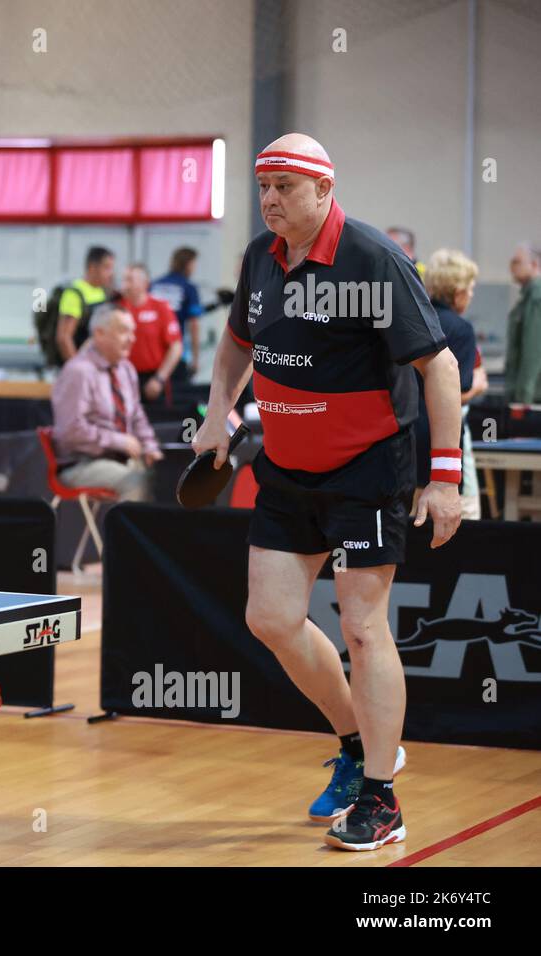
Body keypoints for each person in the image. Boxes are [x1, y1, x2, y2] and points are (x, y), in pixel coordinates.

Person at [193, 133, 463, 852]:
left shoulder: (373, 260)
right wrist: (218, 411)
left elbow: (439, 369)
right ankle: (355, 742)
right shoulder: (260, 257)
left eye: (285, 186)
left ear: (323, 188)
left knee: (363, 627)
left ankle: (382, 797)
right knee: (272, 618)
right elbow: (236, 343)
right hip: (286, 467)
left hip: (366, 469)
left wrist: (444, 478)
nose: (271, 199)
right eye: (263, 187)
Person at [52, 306, 164, 500]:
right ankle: (126, 531)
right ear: (99, 334)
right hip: (81, 463)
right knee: (138, 480)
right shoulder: (78, 372)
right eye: (123, 331)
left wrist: (151, 447)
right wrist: (119, 441)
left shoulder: (126, 369)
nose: (132, 338)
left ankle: (154, 531)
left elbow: (137, 417)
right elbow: (70, 430)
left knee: (167, 477)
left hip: (121, 460)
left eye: (132, 331)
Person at [417, 249, 487, 520]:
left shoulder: (414, 320)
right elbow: (460, 390)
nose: (470, 296)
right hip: (444, 439)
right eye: (470, 290)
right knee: (462, 514)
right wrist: (480, 384)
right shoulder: (461, 328)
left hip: (406, 438)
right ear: (458, 292)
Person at [121, 263, 183, 403]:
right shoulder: (117, 308)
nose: (125, 285)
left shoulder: (161, 307)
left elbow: (176, 347)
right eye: (123, 279)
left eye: (129, 280)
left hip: (152, 379)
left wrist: (159, 378)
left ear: (145, 283)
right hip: (123, 379)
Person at [150, 247, 204, 381]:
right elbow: (194, 325)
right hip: (177, 355)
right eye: (194, 263)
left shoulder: (154, 285)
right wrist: (196, 359)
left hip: (153, 355)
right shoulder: (189, 288)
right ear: (188, 264)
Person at [56, 246, 117, 363]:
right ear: (92, 268)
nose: (111, 273)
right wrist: (77, 368)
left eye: (111, 268)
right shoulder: (74, 293)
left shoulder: (103, 292)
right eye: (107, 268)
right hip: (82, 367)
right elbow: (64, 338)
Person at [505, 242, 541, 405]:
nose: (512, 266)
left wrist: (524, 395)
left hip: (533, 397)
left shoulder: (536, 297)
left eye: (517, 261)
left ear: (534, 264)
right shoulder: (528, 296)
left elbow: (534, 348)